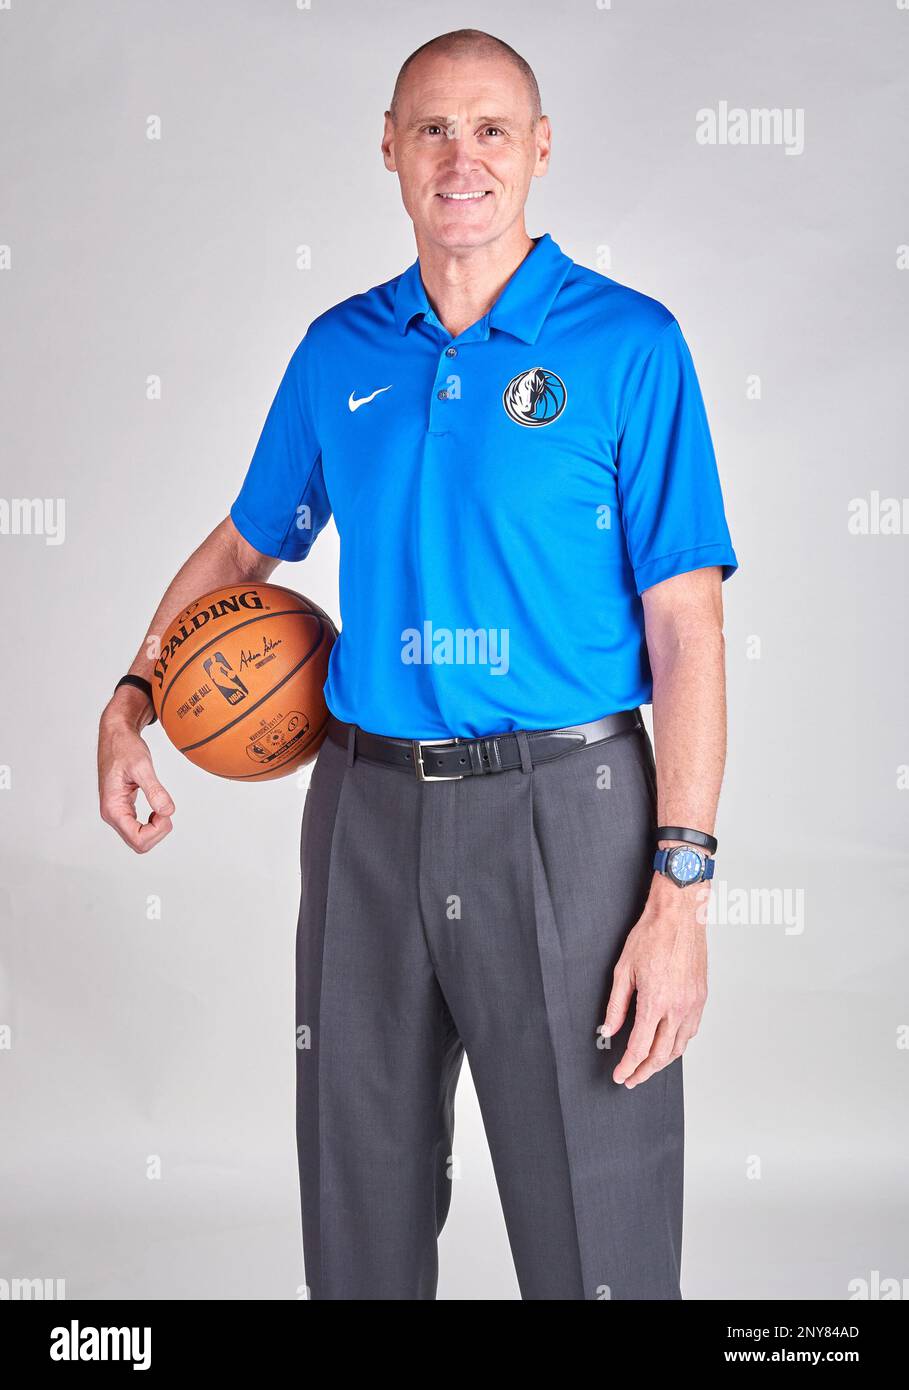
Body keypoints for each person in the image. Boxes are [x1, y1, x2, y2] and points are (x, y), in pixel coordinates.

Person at [98, 27, 739, 1301]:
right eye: (432, 129)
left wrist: (680, 888)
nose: (463, 156)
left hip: (571, 815)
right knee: (359, 1209)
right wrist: (130, 702)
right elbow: (242, 549)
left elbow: (687, 632)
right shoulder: (341, 351)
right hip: (365, 813)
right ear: (387, 150)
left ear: (541, 150)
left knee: (592, 1222)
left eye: (492, 128)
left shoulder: (630, 346)